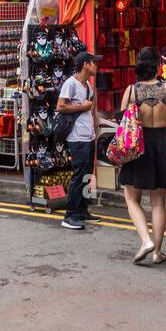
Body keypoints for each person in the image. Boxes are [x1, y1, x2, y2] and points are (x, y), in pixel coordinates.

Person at [118, 48, 166, 265]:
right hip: (162, 144)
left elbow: (123, 121)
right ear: (157, 67)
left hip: (139, 145)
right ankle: (157, 252)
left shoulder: (131, 91)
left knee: (131, 198)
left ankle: (146, 240)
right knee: (158, 203)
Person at [57, 51, 101, 231]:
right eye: (93, 63)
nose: (96, 66)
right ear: (85, 65)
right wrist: (81, 106)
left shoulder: (88, 85)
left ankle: (82, 210)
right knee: (78, 175)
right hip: (76, 137)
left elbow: (90, 109)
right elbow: (60, 106)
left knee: (86, 175)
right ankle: (70, 215)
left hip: (88, 135)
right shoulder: (71, 83)